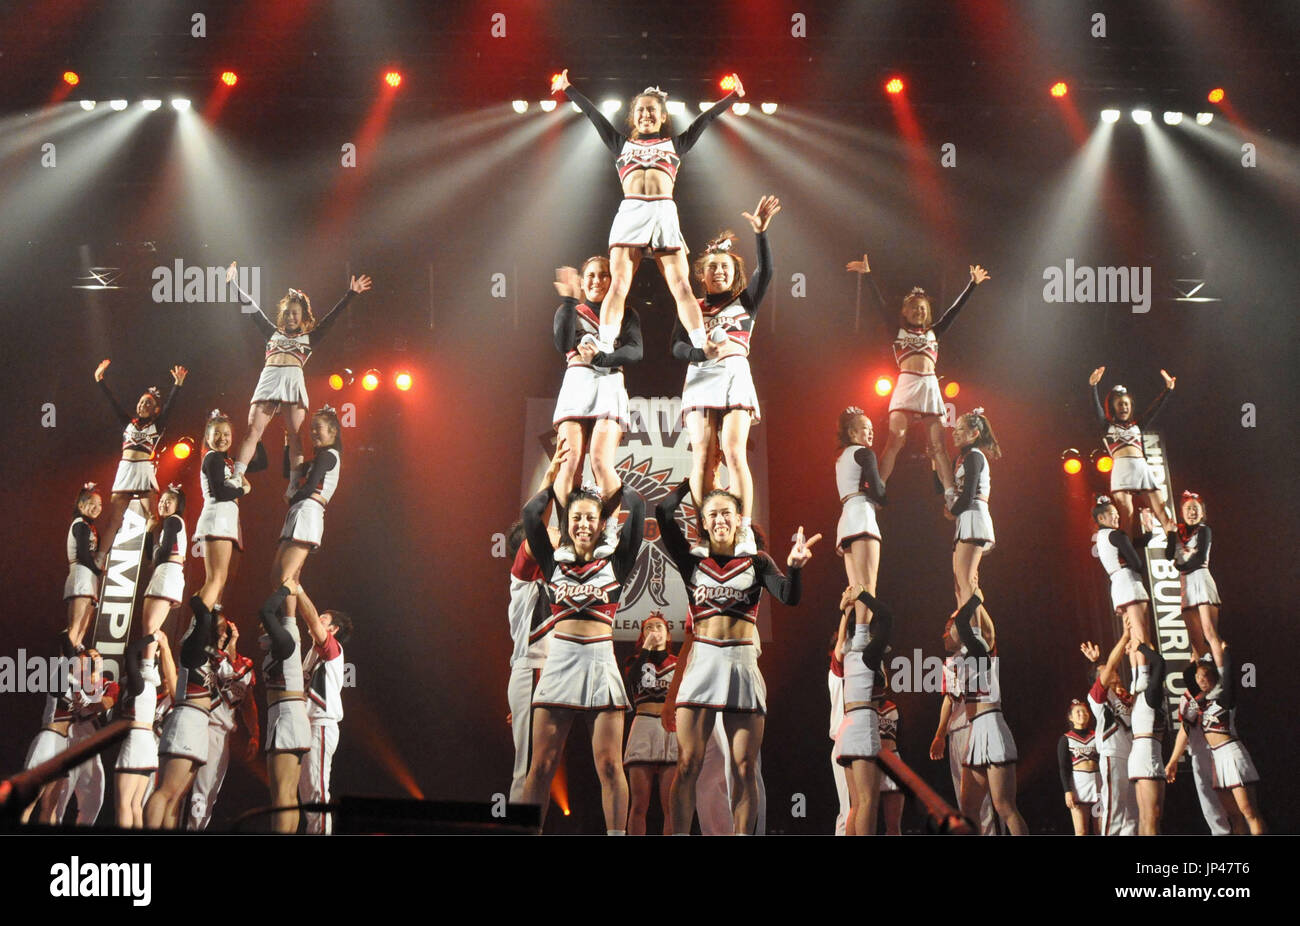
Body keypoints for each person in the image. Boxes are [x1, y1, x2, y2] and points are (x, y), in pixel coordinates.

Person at [655, 478, 817, 834]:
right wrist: (694, 479)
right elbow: (664, 512)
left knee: (744, 768)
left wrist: (795, 567)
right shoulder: (691, 561)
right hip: (703, 665)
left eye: (726, 512)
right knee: (687, 765)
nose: (719, 520)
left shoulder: (757, 562)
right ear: (704, 521)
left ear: (739, 518)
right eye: (712, 514)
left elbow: (789, 596)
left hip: (742, 666)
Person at [550, 70, 742, 353]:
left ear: (663, 116)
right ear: (633, 116)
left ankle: (702, 345)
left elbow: (707, 118)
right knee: (618, 285)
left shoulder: (675, 144)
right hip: (631, 211)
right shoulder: (620, 144)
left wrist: (734, 96)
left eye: (652, 110)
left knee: (681, 285)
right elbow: (593, 116)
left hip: (664, 210)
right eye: (640, 110)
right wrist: (568, 89)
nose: (645, 115)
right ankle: (605, 345)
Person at [518, 448, 646, 834]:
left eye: (591, 517)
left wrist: (609, 475)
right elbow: (529, 517)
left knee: (609, 765)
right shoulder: (552, 558)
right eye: (576, 518)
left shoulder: (617, 560)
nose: (584, 524)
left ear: (602, 521)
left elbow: (637, 508)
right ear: (568, 521)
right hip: (560, 662)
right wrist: (554, 476)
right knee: (540, 765)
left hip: (599, 662)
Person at [672, 197, 779, 554]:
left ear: (735, 273)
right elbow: (675, 346)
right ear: (701, 274)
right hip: (701, 376)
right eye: (712, 267)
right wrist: (698, 352)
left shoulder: (744, 303)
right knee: (703, 455)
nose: (719, 272)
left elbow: (767, 272)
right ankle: (704, 532)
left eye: (725, 267)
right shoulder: (692, 308)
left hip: (734, 373)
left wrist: (761, 234)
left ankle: (744, 529)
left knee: (734, 452)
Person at [846, 255, 990, 484]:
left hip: (929, 384)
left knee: (938, 446)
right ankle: (877, 488)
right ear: (904, 312)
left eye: (922, 309)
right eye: (914, 308)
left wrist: (972, 284)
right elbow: (880, 305)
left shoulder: (935, 332)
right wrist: (867, 276)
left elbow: (955, 310)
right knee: (895, 440)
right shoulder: (897, 331)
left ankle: (950, 494)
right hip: (907, 382)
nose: (919, 312)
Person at [225, 263, 371, 480]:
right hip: (269, 378)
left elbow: (332, 318)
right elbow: (252, 309)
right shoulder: (271, 332)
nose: (290, 317)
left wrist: (351, 294)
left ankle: (293, 484)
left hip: (293, 380)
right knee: (253, 430)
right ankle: (237, 475)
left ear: (303, 316)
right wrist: (233, 285)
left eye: (295, 313)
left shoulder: (309, 338)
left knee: (294, 436)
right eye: (287, 313)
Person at [551, 258, 640, 545]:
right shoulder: (572, 309)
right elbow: (563, 343)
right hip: (577, 381)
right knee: (570, 462)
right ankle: (568, 533)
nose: (597, 280)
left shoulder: (626, 311)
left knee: (601, 461)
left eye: (604, 275)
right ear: (582, 280)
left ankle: (609, 528)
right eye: (590, 275)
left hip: (610, 382)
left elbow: (636, 351)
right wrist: (567, 301)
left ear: (613, 279)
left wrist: (602, 358)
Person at [92, 359, 186, 560]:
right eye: (142, 401)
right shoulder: (127, 423)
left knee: (152, 517)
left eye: (149, 403)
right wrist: (100, 380)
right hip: (125, 469)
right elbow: (112, 402)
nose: (143, 404)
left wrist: (177, 385)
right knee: (114, 520)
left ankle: (156, 554)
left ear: (155, 410)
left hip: (144, 469)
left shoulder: (157, 426)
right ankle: (99, 559)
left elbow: (170, 406)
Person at [951, 593, 1028, 834]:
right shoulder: (964, 656)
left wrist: (974, 598)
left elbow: (978, 628)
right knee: (969, 809)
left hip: (991, 726)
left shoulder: (980, 650)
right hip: (976, 732)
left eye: (951, 626)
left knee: (1004, 806)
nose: (950, 630)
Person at [1166, 648, 1266, 835]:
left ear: (1213, 674)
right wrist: (1173, 761)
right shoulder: (1198, 702)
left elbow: (1224, 668)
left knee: (1248, 811)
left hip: (1230, 752)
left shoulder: (1224, 695)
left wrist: (1221, 649)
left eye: (1204, 675)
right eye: (1198, 677)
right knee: (1234, 816)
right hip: (1215, 759)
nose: (1200, 680)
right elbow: (1185, 728)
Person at [144, 596, 219, 829]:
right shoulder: (193, 650)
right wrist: (210, 594)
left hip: (198, 722)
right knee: (165, 791)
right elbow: (204, 615)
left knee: (176, 798)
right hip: (186, 718)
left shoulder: (207, 655)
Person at [188, 609, 258, 830]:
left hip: (222, 734)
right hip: (200, 724)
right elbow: (221, 663)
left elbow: (248, 703)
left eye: (225, 629)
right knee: (194, 793)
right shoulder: (208, 652)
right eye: (219, 629)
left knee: (209, 793)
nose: (224, 632)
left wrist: (255, 733)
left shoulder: (246, 665)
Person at [833, 586, 894, 836]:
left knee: (856, 805)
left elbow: (840, 640)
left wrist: (845, 609)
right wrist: (862, 595)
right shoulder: (869, 654)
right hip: (862, 724)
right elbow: (887, 617)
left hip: (846, 728)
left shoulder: (844, 655)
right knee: (869, 801)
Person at [1088, 367, 1176, 533]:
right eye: (1120, 404)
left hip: (1142, 468)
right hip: (1122, 469)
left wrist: (1168, 390)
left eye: (1127, 404)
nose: (1124, 407)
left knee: (1163, 513)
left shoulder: (1137, 425)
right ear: (1113, 407)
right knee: (1127, 517)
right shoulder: (1106, 426)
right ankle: (1124, 558)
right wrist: (1093, 387)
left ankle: (1175, 553)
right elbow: (1096, 409)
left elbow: (1154, 410)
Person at [295, 586, 352, 835]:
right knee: (307, 794)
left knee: (317, 792)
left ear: (333, 629)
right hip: (306, 725)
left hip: (321, 724)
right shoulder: (311, 654)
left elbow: (309, 617)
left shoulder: (333, 649)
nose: (317, 620)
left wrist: (297, 589)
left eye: (323, 620)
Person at [195, 410, 265, 609]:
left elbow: (261, 463)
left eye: (226, 434)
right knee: (216, 579)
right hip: (217, 517)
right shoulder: (213, 458)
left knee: (219, 579)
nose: (222, 438)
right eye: (216, 434)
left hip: (223, 519)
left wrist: (256, 435)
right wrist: (244, 490)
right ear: (207, 437)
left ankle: (202, 620)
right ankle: (198, 623)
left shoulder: (228, 463)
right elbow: (220, 493)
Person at [929, 641, 997, 834]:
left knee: (984, 799)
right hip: (957, 731)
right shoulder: (949, 663)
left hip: (977, 725)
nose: (943, 635)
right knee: (964, 799)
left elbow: (985, 631)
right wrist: (940, 735)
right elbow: (949, 699)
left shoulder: (979, 650)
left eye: (948, 627)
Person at [945, 409, 1000, 635]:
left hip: (974, 516)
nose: (955, 433)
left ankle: (974, 633)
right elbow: (942, 486)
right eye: (955, 428)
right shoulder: (961, 458)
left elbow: (968, 495)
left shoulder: (976, 456)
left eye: (961, 429)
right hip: (964, 519)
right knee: (961, 582)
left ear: (974, 433)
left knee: (967, 580)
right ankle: (968, 628)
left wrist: (952, 511)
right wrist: (934, 460)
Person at [622, 613, 679, 835]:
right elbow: (632, 680)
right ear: (642, 635)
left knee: (671, 806)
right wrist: (646, 648)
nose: (654, 630)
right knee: (639, 804)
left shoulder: (677, 663)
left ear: (668, 634)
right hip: (643, 724)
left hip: (670, 727)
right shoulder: (634, 661)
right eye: (649, 628)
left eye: (659, 627)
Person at [1092, 497, 1158, 679]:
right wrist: (1140, 569)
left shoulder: (1103, 537)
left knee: (1132, 634)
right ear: (1101, 519)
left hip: (1117, 585)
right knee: (1141, 632)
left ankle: (1137, 676)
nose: (1116, 517)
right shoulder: (1116, 535)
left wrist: (1149, 531)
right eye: (1111, 514)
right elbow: (1136, 563)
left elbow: (1135, 543)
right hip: (1130, 582)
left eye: (1116, 514)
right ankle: (1143, 675)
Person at [1080, 636, 1137, 835]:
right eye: (1104, 672)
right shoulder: (1098, 697)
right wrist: (1125, 636)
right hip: (1114, 755)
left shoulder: (1128, 696)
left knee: (1132, 817)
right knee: (1114, 810)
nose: (1111, 671)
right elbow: (1109, 666)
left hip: (1134, 757)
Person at [114, 632, 172, 828]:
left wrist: (152, 636)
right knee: (135, 805)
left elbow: (130, 651)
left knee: (123, 804)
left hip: (135, 742)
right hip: (148, 746)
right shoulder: (150, 687)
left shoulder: (137, 683)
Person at [1165, 491, 1223, 665]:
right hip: (1186, 585)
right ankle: (1205, 680)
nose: (1192, 512)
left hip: (1201, 579)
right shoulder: (1177, 532)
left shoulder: (1204, 530)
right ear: (1181, 511)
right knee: (1196, 641)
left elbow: (1199, 558)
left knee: (1210, 632)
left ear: (1203, 512)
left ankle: (1223, 675)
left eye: (1196, 509)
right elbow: (1168, 555)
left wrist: (1179, 566)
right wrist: (1170, 534)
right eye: (1188, 508)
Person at [139, 485, 188, 638]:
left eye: (169, 501)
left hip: (167, 573)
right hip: (168, 573)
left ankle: (148, 661)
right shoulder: (170, 523)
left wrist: (156, 556)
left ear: (178, 505)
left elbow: (163, 553)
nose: (163, 504)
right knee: (151, 628)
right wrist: (148, 531)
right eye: (162, 500)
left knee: (150, 628)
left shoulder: (172, 521)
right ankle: (149, 660)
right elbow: (152, 556)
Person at [63, 483, 103, 650]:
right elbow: (83, 554)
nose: (96, 508)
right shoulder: (80, 524)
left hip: (89, 577)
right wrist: (97, 570)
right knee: (75, 625)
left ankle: (74, 666)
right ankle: (63, 668)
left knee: (82, 630)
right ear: (81, 505)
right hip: (81, 574)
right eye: (92, 503)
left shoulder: (90, 526)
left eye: (100, 504)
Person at [1058, 700, 1101, 835]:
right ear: (1070, 717)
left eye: (1084, 711)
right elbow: (1063, 767)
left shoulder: (1097, 736)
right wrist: (1067, 791)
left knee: (1100, 830)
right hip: (1078, 789)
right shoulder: (1066, 739)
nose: (1082, 714)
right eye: (1078, 712)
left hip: (1098, 788)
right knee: (1081, 831)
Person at [828, 622, 850, 835]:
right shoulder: (837, 671)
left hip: (855, 742)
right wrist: (845, 614)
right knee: (851, 809)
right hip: (844, 743)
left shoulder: (854, 673)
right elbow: (841, 646)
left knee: (855, 808)